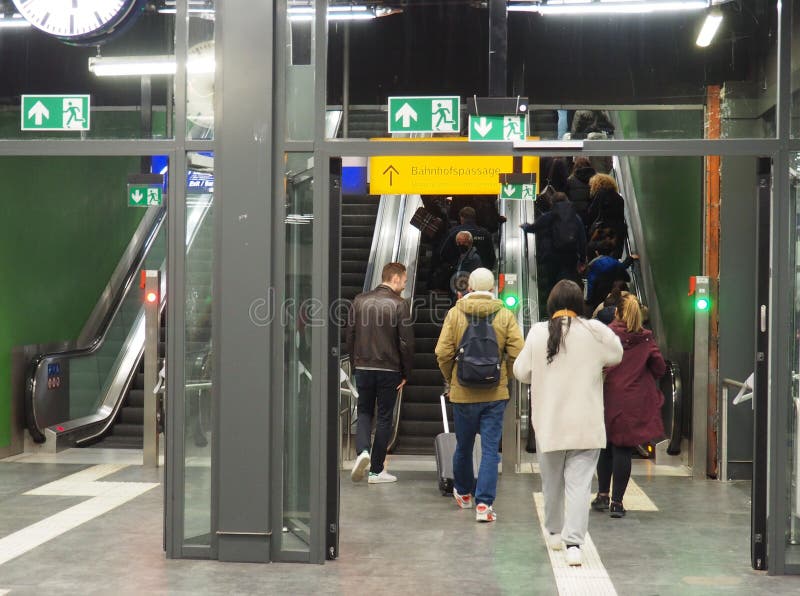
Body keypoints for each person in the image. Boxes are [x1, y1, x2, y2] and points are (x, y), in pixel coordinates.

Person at [513, 280, 623, 566]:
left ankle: (553, 531)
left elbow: (520, 371)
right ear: (579, 304)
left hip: (549, 423)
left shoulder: (538, 332)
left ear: (551, 304)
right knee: (580, 485)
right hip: (585, 423)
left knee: (551, 483)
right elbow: (617, 355)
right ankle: (574, 544)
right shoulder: (595, 330)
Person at [435, 268, 524, 522]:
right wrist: (503, 374)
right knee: (488, 450)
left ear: (470, 287)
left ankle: (463, 493)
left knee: (463, 446)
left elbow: (442, 352)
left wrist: (451, 377)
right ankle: (484, 505)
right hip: (495, 393)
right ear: (493, 288)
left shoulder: (455, 313)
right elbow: (518, 352)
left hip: (462, 393)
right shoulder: (505, 314)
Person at [592, 295, 666, 518]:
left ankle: (602, 495)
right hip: (632, 401)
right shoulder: (645, 338)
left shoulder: (606, 334)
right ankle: (617, 502)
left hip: (606, 396)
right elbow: (660, 368)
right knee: (623, 449)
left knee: (605, 448)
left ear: (616, 313)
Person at [345, 262, 414, 484]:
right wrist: (406, 372)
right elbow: (405, 342)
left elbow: (351, 335)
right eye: (404, 279)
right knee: (384, 417)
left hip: (363, 366)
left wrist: (355, 364)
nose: (405, 283)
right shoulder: (400, 304)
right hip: (389, 368)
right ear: (394, 278)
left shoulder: (359, 300)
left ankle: (362, 451)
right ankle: (376, 471)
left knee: (364, 411)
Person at [520, 192, 586, 292]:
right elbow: (582, 240)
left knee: (552, 282)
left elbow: (534, 228)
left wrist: (525, 226)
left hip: (552, 256)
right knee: (568, 281)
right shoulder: (576, 218)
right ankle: (567, 300)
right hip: (570, 256)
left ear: (552, 202)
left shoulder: (549, 216)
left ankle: (553, 300)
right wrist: (582, 259)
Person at [584, 240, 639, 314]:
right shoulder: (612, 261)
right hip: (614, 292)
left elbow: (590, 287)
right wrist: (630, 259)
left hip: (600, 297)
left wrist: (588, 301)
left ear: (596, 253)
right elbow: (621, 267)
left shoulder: (593, 269)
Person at [440, 206, 496, 270]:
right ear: (474, 218)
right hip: (480, 274)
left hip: (458, 274)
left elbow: (442, 253)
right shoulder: (485, 233)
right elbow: (491, 257)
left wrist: (452, 266)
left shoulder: (453, 232)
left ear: (461, 218)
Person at [586, 173, 627, 259]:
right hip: (616, 236)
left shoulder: (600, 194)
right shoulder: (619, 198)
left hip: (602, 235)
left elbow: (592, 213)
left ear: (597, 184)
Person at [565, 156, 596, 232]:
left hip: (576, 215)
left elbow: (567, 198)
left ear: (575, 166)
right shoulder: (596, 179)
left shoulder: (570, 180)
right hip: (591, 215)